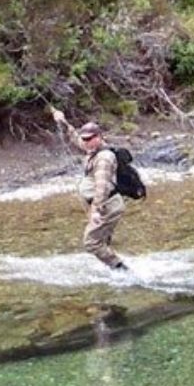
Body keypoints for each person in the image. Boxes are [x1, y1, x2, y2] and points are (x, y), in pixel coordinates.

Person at [51, 109, 129, 272]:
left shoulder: (104, 158)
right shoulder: (93, 149)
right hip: (102, 205)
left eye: (89, 139)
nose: (86, 142)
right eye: (85, 139)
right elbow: (75, 138)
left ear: (99, 137)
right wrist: (62, 121)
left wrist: (95, 211)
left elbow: (102, 187)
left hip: (107, 206)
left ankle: (121, 269)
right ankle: (112, 266)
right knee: (101, 240)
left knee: (91, 242)